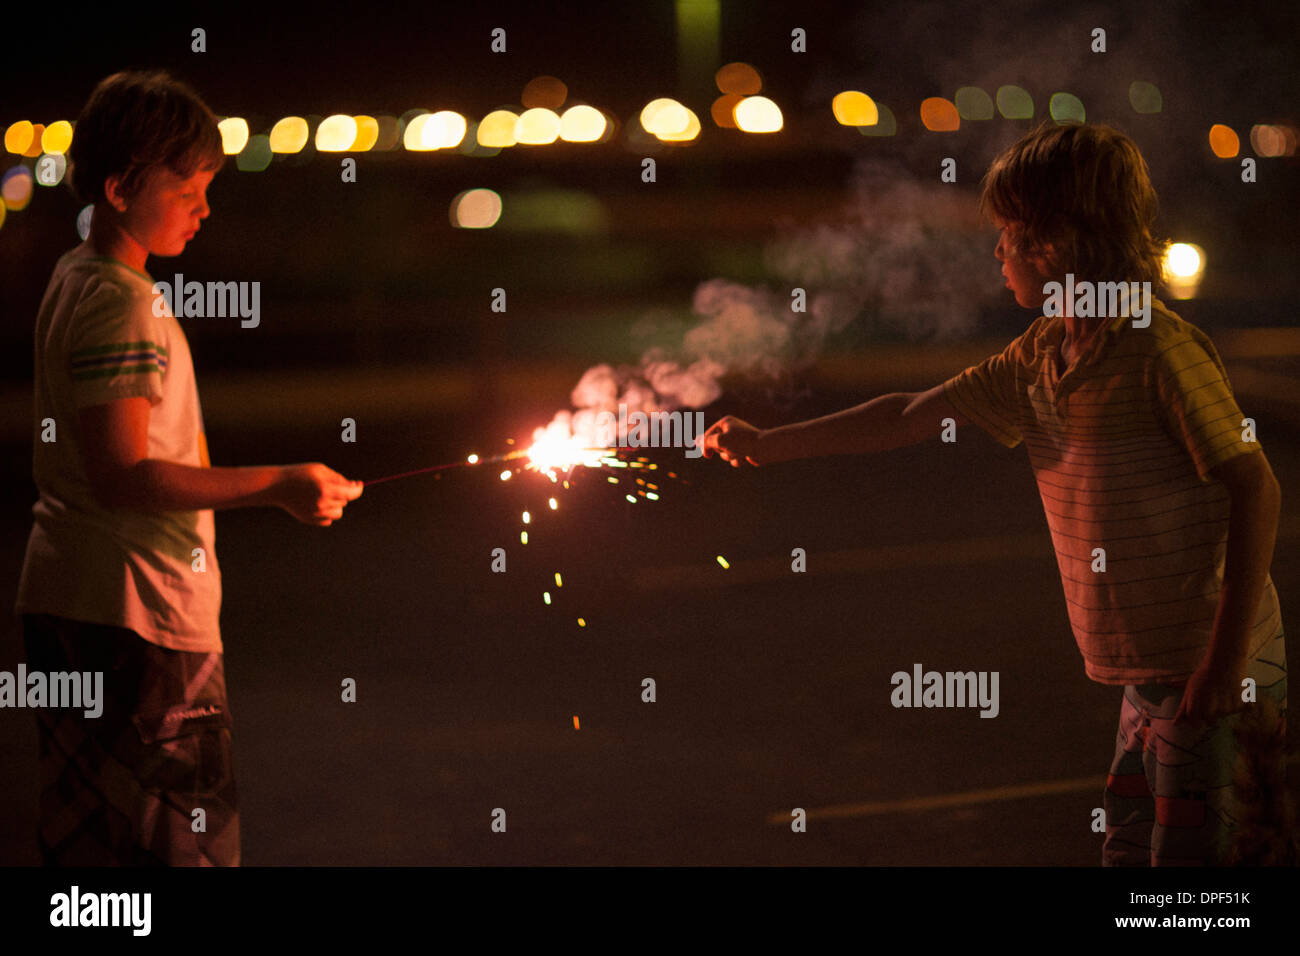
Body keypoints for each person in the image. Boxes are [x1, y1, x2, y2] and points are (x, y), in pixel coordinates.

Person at [701, 121, 1288, 866]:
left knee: (1196, 871)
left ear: (1058, 239)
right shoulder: (1042, 352)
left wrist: (1223, 664)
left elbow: (1255, 486)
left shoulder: (1157, 351)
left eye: (1009, 230)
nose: (997, 249)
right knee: (1132, 846)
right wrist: (767, 444)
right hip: (1149, 672)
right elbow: (911, 415)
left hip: (1209, 665)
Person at [16, 69, 364, 865]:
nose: (205, 208)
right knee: (177, 847)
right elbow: (123, 475)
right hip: (139, 614)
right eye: (186, 188)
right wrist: (278, 484)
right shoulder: (122, 301)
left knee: (95, 852)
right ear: (119, 187)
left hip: (74, 598)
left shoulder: (74, 277)